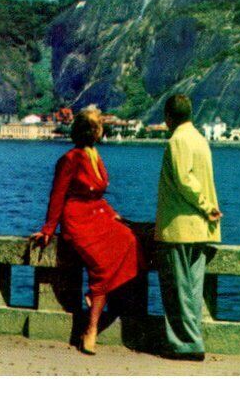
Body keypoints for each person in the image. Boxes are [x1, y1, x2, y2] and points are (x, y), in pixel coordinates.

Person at [29, 106, 142, 355]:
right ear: (86, 131)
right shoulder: (70, 159)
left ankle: (98, 297)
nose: (99, 129)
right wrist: (48, 229)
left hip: (97, 213)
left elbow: (98, 193)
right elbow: (57, 195)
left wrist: (111, 212)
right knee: (101, 264)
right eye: (96, 126)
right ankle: (90, 330)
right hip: (77, 219)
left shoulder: (94, 155)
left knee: (129, 239)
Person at [155, 94, 222, 361]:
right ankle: (191, 342)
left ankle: (187, 345)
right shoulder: (200, 139)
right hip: (201, 229)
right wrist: (209, 211)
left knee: (177, 289)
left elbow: (184, 180)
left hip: (179, 227)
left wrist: (206, 206)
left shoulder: (177, 141)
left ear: (168, 117)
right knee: (193, 289)